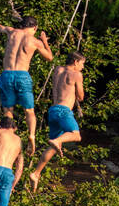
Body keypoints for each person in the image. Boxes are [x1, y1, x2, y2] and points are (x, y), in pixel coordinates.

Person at [0, 7, 54, 154]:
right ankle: (31, 135)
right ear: (34, 28)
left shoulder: (12, 32)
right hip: (22, 76)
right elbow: (50, 57)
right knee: (29, 110)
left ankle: (7, 135)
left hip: (7, 75)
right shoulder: (35, 41)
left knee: (8, 109)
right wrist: (44, 41)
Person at [29, 53, 85, 192]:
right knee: (76, 135)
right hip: (64, 111)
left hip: (53, 111)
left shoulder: (57, 70)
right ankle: (57, 141)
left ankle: (36, 173)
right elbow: (81, 96)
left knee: (54, 147)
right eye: (82, 64)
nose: (82, 67)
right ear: (75, 61)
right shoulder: (76, 75)